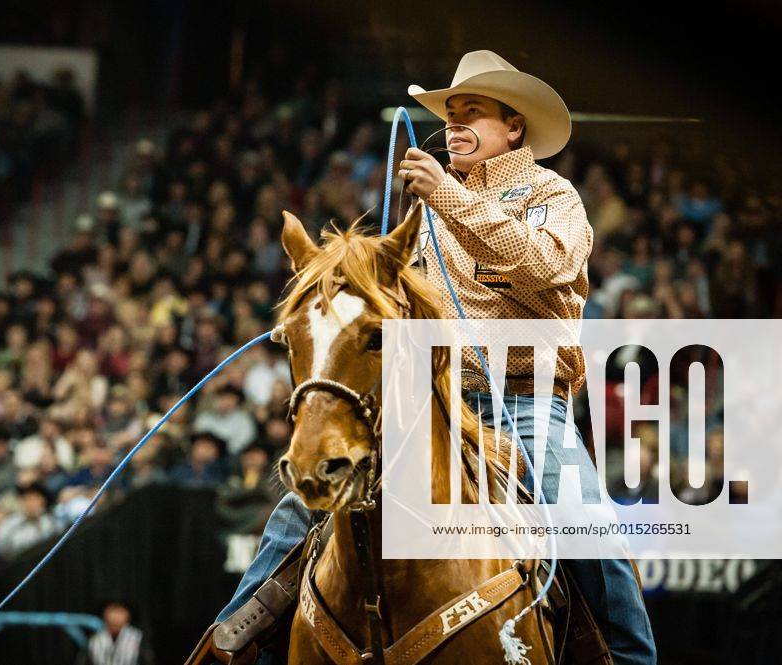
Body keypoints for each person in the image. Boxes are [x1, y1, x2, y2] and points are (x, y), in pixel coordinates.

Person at [214, 50, 656, 665]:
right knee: (302, 505)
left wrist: (448, 197)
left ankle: (631, 657)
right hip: (431, 402)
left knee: (586, 524)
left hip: (526, 407)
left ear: (514, 127)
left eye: (471, 112)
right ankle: (230, 641)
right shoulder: (425, 217)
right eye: (450, 114)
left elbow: (547, 267)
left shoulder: (554, 197)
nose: (454, 125)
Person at [87, 601, 152, 665]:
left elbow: (148, 660)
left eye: (119, 613)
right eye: (113, 613)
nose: (115, 619)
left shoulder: (137, 638)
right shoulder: (96, 639)